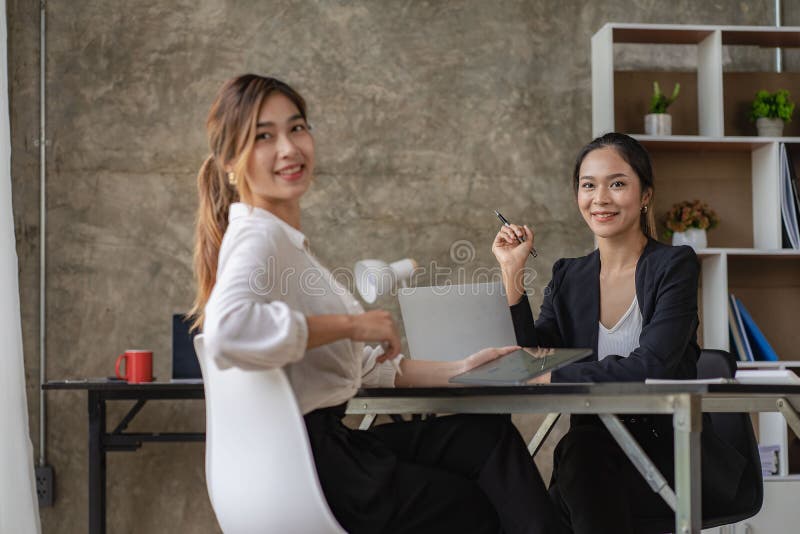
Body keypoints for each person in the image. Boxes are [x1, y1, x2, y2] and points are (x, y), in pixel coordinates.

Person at [189, 74, 562, 534]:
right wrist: (350, 324)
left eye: (297, 128)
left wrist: (464, 367)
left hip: (321, 453)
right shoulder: (257, 236)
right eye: (263, 136)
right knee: (471, 506)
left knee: (485, 438)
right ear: (231, 159)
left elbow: (362, 369)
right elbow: (229, 332)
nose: (288, 147)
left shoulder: (283, 243)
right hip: (313, 470)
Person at [491, 133, 748, 534]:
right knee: (558, 467)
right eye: (588, 185)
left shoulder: (674, 265)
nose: (601, 198)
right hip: (595, 458)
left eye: (617, 183)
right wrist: (512, 273)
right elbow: (533, 355)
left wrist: (553, 374)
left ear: (645, 194)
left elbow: (653, 364)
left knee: (573, 466)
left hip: (671, 455)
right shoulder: (568, 275)